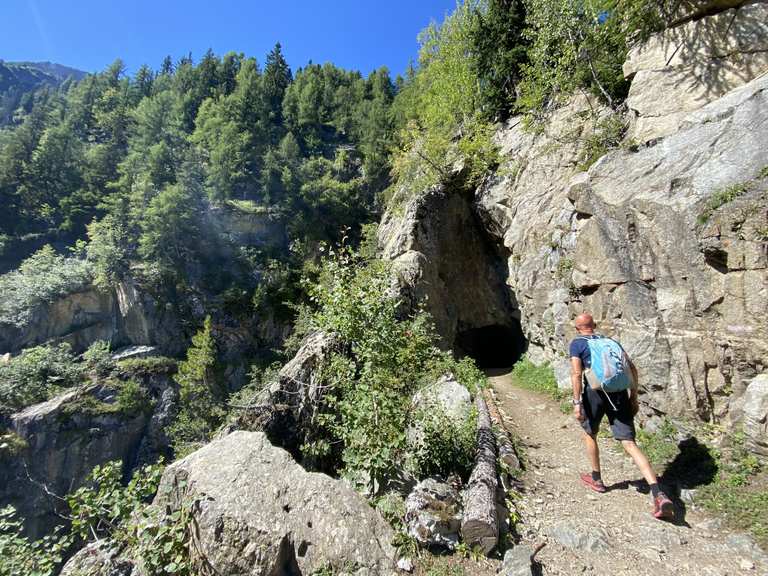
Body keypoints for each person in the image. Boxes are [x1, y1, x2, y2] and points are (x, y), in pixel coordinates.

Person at [569, 313, 674, 520]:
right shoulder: (610, 342)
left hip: (594, 393)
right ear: (594, 325)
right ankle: (658, 493)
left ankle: (597, 479)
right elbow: (631, 368)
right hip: (619, 394)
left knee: (590, 433)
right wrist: (633, 396)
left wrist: (577, 403)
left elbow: (576, 374)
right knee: (629, 443)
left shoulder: (577, 344)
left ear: (577, 328)